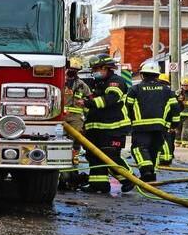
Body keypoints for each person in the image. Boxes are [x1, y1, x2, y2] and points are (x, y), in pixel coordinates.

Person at [82, 56, 136, 194]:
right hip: (96, 128)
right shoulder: (99, 83)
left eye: (96, 69)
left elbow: (110, 99)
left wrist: (88, 103)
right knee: (94, 156)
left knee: (110, 155)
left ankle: (129, 179)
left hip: (113, 128)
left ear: (105, 68)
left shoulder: (116, 82)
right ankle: (98, 184)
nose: (94, 72)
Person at [126, 62, 179, 182]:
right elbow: (175, 109)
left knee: (138, 149)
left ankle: (146, 170)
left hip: (140, 127)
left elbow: (127, 107)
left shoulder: (135, 89)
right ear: (157, 75)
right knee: (154, 150)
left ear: (142, 75)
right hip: (160, 128)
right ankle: (151, 174)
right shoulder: (167, 90)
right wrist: (174, 124)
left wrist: (130, 121)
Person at [60, 58, 93, 190]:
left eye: (75, 71)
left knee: (75, 145)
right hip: (61, 118)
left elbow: (89, 100)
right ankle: (61, 171)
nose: (72, 73)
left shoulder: (82, 85)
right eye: (70, 70)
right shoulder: (60, 82)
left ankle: (73, 169)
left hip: (76, 119)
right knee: (60, 143)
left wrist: (86, 120)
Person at [157, 73, 180, 167]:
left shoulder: (155, 93)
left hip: (161, 121)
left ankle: (165, 158)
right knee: (167, 140)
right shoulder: (170, 93)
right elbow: (175, 109)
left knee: (164, 140)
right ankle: (167, 157)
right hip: (167, 122)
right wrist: (174, 124)